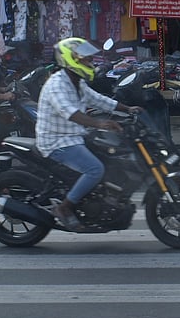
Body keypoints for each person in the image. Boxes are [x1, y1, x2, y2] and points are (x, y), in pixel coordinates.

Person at [36, 37, 141, 230]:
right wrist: (101, 123)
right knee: (95, 169)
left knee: (110, 156)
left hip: (74, 136)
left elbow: (98, 100)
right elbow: (71, 113)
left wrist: (129, 109)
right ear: (71, 59)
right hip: (57, 142)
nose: (90, 62)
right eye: (85, 59)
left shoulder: (76, 82)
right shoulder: (57, 84)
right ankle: (65, 208)